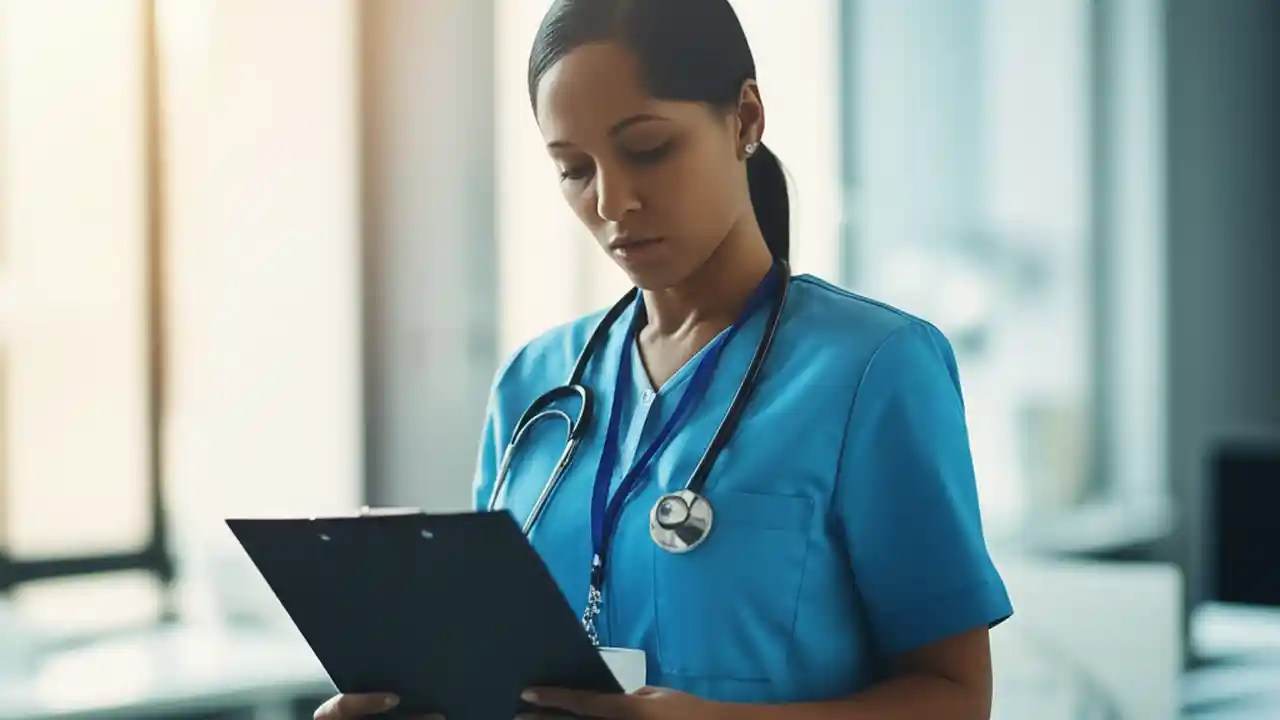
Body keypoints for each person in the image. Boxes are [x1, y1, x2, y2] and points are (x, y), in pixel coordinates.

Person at [316, 1, 1012, 718]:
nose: (613, 202)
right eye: (574, 170)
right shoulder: (536, 384)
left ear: (745, 119)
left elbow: (955, 698)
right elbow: (494, 671)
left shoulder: (874, 371)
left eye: (647, 149)